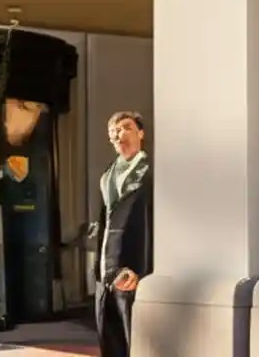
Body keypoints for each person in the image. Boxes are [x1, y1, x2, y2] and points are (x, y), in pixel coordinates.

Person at [92, 111, 152, 357]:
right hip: (106, 272)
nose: (120, 134)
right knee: (110, 342)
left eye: (126, 127)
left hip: (133, 272)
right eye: (114, 131)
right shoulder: (107, 177)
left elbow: (153, 224)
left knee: (134, 342)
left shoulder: (149, 173)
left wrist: (142, 268)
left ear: (141, 133)